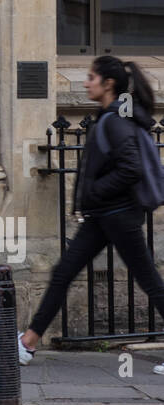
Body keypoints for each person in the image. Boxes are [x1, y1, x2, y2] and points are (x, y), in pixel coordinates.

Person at [18, 55, 164, 365]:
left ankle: (29, 340)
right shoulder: (109, 117)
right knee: (63, 273)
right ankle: (29, 341)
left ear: (107, 84)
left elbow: (131, 169)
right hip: (104, 216)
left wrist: (95, 191)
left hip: (118, 215)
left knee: (149, 279)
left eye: (91, 78)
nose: (85, 83)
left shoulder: (116, 121)